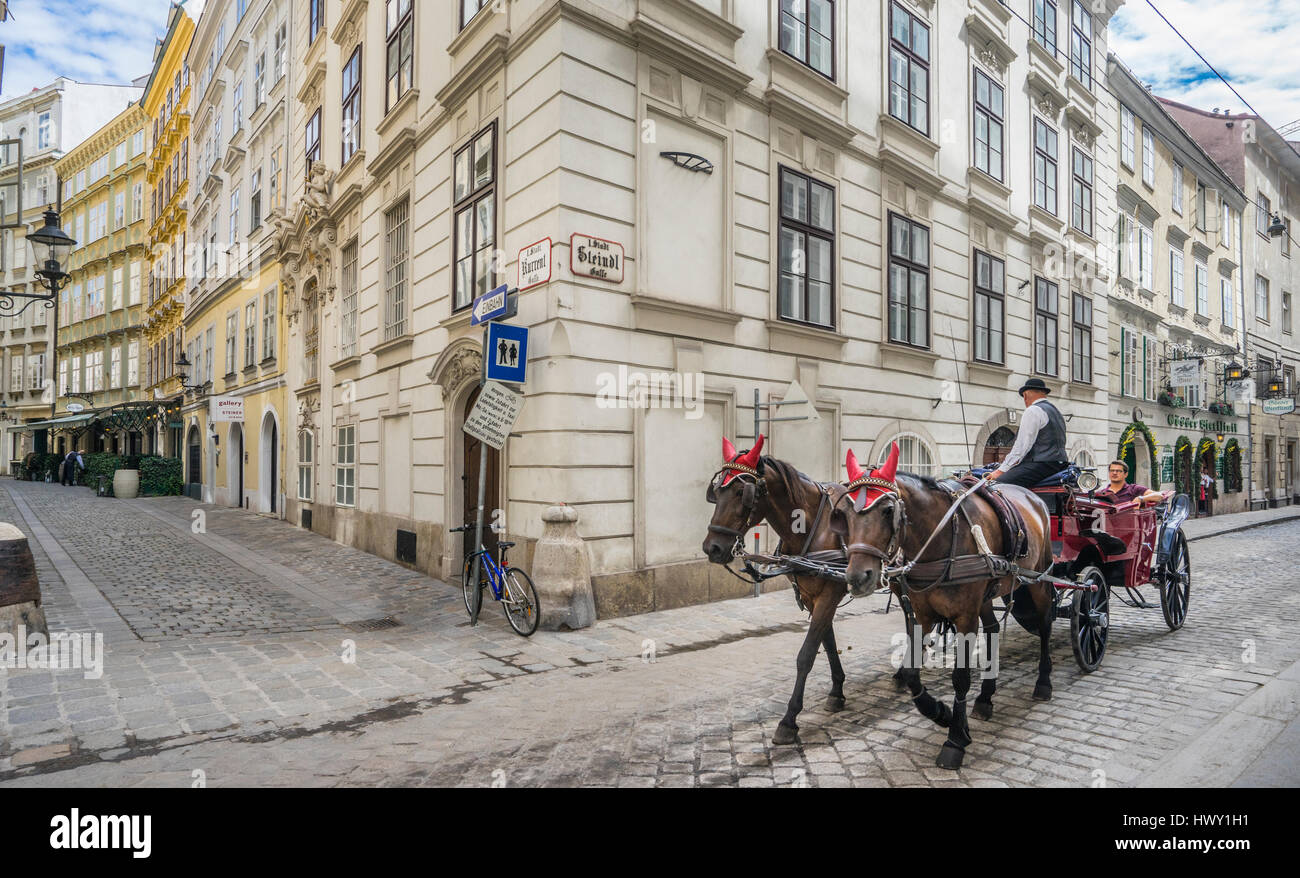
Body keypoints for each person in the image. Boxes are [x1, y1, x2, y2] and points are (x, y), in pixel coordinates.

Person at [987, 378, 1071, 489]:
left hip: (1040, 465)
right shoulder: (1057, 412)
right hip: (1060, 464)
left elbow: (1022, 446)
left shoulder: (1033, 410)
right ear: (1044, 394)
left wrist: (1000, 471)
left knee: (994, 487)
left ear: (1025, 395)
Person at [1097, 460, 1165, 507]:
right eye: (1112, 470)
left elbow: (1159, 496)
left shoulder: (1134, 489)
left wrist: (1141, 498)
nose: (1114, 473)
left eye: (1118, 471)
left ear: (1126, 474)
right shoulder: (1102, 493)